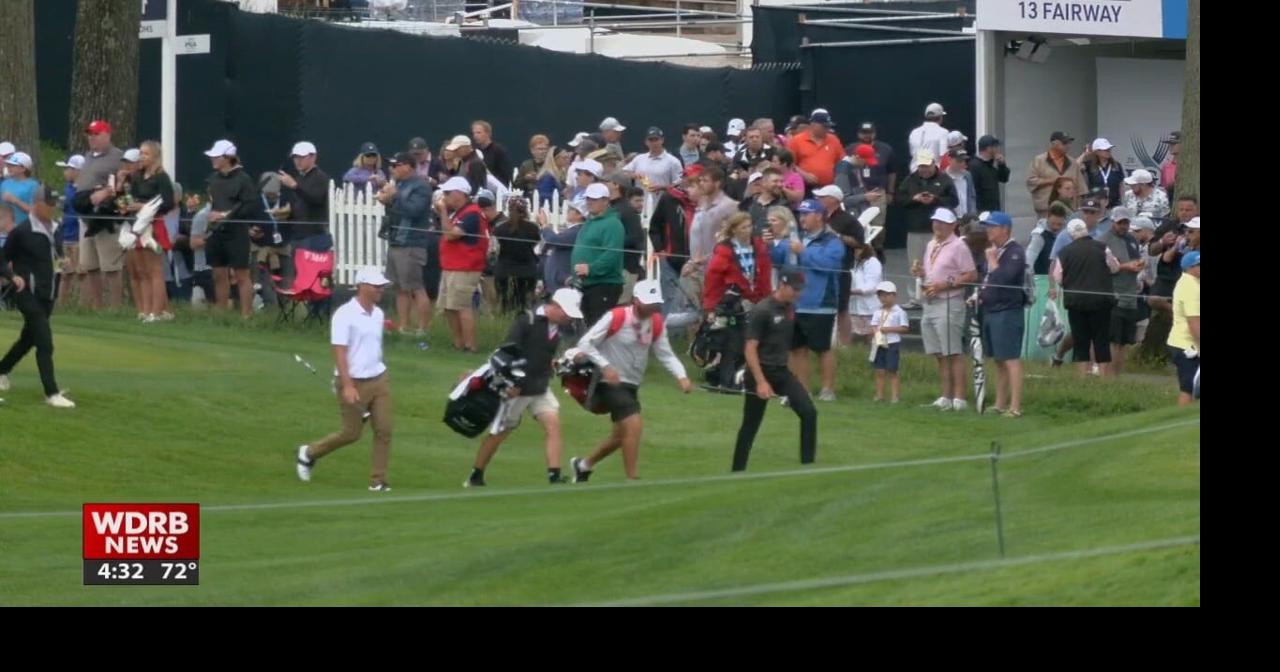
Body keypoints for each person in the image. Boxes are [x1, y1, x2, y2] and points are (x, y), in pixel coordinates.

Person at [569, 280, 692, 482]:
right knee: (634, 425)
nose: (653, 307)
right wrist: (606, 366)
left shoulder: (656, 322)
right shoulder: (616, 316)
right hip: (608, 382)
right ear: (636, 301)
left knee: (620, 436)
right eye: (649, 303)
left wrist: (681, 376)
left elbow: (666, 355)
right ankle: (632, 479)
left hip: (631, 385)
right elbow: (585, 342)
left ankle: (583, 466)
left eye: (656, 303)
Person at [464, 288, 585, 487]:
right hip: (517, 388)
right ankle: (476, 474)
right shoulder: (526, 320)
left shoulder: (556, 329)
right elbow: (507, 352)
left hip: (539, 387)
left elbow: (542, 356)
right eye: (566, 314)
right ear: (554, 306)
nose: (569, 319)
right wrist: (513, 383)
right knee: (500, 432)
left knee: (553, 425)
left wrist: (555, 365)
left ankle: (554, 477)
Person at [295, 267, 395, 492]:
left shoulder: (378, 314)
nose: (381, 289)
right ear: (362, 287)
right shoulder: (344, 314)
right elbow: (339, 351)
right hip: (353, 383)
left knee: (384, 430)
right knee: (351, 433)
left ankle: (378, 481)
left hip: (379, 379)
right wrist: (347, 385)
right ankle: (309, 452)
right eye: (376, 286)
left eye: (382, 286)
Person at [730, 270, 817, 471]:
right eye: (795, 289)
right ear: (782, 285)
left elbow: (795, 348)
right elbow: (750, 348)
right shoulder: (763, 310)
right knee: (751, 424)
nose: (798, 294)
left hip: (781, 372)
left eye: (800, 290)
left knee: (809, 412)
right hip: (759, 372)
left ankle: (808, 465)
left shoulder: (790, 309)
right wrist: (761, 382)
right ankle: (737, 469)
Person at [0, 184, 76, 408]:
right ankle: (51, 393)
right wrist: (12, 276)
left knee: (29, 338)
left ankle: (2, 369)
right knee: (44, 341)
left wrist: (64, 264)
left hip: (48, 292)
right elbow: (2, 259)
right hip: (26, 292)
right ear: (37, 204)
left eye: (55, 204)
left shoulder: (56, 228)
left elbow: (56, 257)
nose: (53, 209)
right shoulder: (22, 231)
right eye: (49, 204)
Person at [772, 199, 844, 402]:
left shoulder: (832, 241)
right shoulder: (795, 238)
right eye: (800, 214)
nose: (802, 218)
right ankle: (801, 389)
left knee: (822, 348)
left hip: (820, 303)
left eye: (807, 214)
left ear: (819, 216)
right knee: (796, 348)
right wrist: (771, 243)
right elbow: (777, 258)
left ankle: (827, 389)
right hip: (794, 302)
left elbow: (830, 264)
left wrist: (804, 252)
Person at [911, 207, 977, 411]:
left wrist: (945, 285)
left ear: (953, 225)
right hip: (930, 301)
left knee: (953, 352)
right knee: (939, 353)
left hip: (949, 302)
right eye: (935, 221)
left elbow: (971, 275)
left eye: (942, 222)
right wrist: (921, 273)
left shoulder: (959, 246)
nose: (937, 225)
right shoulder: (932, 244)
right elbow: (932, 273)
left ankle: (959, 397)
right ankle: (945, 396)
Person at [702, 212, 772, 390]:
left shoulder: (759, 247)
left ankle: (739, 379)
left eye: (750, 227)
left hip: (755, 300)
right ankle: (726, 381)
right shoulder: (724, 250)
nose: (748, 231)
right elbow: (713, 280)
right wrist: (710, 307)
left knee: (750, 342)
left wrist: (767, 300)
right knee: (732, 343)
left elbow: (764, 275)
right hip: (731, 303)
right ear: (734, 230)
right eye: (743, 227)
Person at [1051, 219, 1121, 376]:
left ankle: (1083, 376)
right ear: (1086, 231)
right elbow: (1115, 267)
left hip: (1076, 302)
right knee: (1101, 339)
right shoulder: (1102, 248)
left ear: (1070, 234)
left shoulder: (1064, 253)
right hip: (1101, 301)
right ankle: (1103, 377)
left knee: (1080, 339)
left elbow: (1057, 277)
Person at [203, 139, 261, 318]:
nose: (212, 159)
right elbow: (212, 202)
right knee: (218, 273)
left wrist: (225, 215)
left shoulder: (243, 179)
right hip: (215, 232)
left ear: (228, 157)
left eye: (216, 156)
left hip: (236, 232)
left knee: (241, 274)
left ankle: (246, 315)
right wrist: (214, 216)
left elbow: (250, 206)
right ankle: (221, 313)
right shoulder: (212, 179)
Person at [73, 119, 126, 310]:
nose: (92, 137)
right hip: (86, 218)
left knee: (111, 266)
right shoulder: (88, 155)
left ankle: (115, 308)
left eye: (96, 134)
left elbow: (124, 184)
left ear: (107, 135)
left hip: (104, 218)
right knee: (90, 266)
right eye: (90, 134)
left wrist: (105, 192)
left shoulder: (118, 157)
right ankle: (97, 307)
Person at [977, 211, 1026, 416]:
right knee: (998, 359)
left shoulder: (1015, 251)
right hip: (991, 309)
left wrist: (992, 260)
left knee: (1010, 359)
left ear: (1005, 229)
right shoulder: (995, 250)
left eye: (993, 227)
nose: (988, 230)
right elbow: (987, 279)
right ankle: (999, 403)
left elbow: (1004, 279)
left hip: (1008, 310)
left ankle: (1015, 406)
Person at [378, 152, 432, 335]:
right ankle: (403, 326)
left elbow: (415, 211)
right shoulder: (400, 185)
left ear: (409, 166)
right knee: (400, 287)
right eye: (391, 165)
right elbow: (397, 211)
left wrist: (397, 195)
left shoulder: (421, 187)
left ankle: (422, 329)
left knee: (416, 287)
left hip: (411, 242)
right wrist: (387, 200)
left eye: (396, 165)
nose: (392, 169)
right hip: (396, 240)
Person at [437, 176, 490, 351]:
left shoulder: (472, 214)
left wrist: (443, 212)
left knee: (461, 306)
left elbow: (452, 235)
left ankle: (470, 345)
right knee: (449, 306)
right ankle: (458, 343)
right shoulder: (460, 213)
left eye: (447, 193)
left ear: (459, 194)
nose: (444, 197)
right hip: (452, 265)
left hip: (465, 266)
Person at [125, 141, 176, 322]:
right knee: (142, 269)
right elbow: (133, 195)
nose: (141, 157)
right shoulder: (138, 176)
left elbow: (168, 202)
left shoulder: (161, 177)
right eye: (140, 153)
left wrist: (145, 207)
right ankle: (145, 311)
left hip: (153, 224)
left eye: (145, 153)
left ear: (154, 156)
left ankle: (157, 311)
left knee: (155, 269)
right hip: (138, 223)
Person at [1096, 208, 1147, 375]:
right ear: (1113, 222)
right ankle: (1109, 375)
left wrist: (1139, 265)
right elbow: (1102, 268)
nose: (1124, 226)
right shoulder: (1103, 241)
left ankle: (1118, 375)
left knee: (1125, 341)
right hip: (1114, 295)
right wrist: (1125, 266)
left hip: (1130, 294)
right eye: (1120, 223)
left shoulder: (1132, 239)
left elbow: (1135, 259)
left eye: (1126, 222)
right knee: (1113, 339)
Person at [571, 182, 625, 325]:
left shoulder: (613, 224)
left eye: (594, 199)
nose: (590, 202)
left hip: (604, 284)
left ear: (606, 201)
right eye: (588, 198)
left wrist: (591, 268)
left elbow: (612, 254)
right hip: (587, 284)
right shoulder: (590, 221)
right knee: (588, 326)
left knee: (598, 327)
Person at [492, 195, 540, 313]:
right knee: (524, 305)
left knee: (505, 304)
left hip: (504, 270)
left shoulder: (500, 228)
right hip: (526, 270)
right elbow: (536, 246)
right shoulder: (533, 228)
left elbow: (494, 249)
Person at [1026, 131, 1087, 218]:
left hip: (1069, 209)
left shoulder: (1073, 162)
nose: (1068, 146)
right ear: (1053, 144)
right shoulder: (1039, 160)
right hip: (1046, 209)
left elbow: (1081, 188)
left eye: (1069, 143)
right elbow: (1031, 181)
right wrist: (1051, 181)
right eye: (1064, 143)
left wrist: (1079, 207)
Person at [1166, 251, 1199, 406]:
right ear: (1190, 268)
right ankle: (1180, 420)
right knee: (1189, 388)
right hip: (1187, 346)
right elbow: (1194, 322)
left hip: (1185, 343)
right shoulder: (1191, 287)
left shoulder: (1192, 282)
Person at [869, 280, 909, 404]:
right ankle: (879, 395)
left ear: (894, 295)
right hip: (879, 343)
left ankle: (895, 397)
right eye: (881, 295)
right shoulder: (877, 311)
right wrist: (876, 332)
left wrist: (888, 329)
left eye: (887, 295)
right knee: (879, 370)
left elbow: (904, 328)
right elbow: (873, 325)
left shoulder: (900, 312)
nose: (883, 298)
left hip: (893, 343)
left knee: (892, 370)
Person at [56, 155, 85, 305]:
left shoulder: (83, 189)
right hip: (65, 236)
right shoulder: (67, 187)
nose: (65, 172)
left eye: (69, 169)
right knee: (64, 273)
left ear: (77, 171)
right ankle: (61, 304)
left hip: (78, 237)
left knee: (81, 273)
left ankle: (81, 304)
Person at [848, 239, 884, 345]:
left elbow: (872, 285)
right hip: (854, 308)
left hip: (870, 308)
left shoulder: (872, 262)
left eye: (857, 249)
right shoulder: (853, 262)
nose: (855, 252)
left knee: (875, 341)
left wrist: (854, 291)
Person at [970, 135, 1010, 212]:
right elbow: (973, 190)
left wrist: (1002, 165)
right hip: (982, 210)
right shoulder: (974, 165)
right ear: (988, 148)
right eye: (995, 147)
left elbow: (1004, 178)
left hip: (994, 209)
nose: (998, 149)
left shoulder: (991, 165)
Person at [471, 120, 513, 187]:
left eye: (479, 133)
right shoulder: (473, 151)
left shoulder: (499, 151)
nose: (475, 136)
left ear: (488, 133)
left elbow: (506, 175)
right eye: (474, 133)